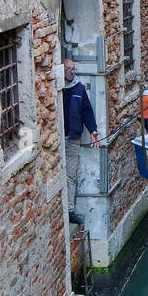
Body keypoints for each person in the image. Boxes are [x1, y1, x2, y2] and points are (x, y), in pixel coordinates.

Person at [61, 58, 101, 226]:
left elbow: (87, 111)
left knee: (70, 175)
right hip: (56, 140)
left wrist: (93, 131)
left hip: (73, 138)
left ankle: (69, 210)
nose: (72, 71)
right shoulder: (56, 89)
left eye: (73, 68)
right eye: (68, 69)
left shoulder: (79, 89)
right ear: (61, 70)